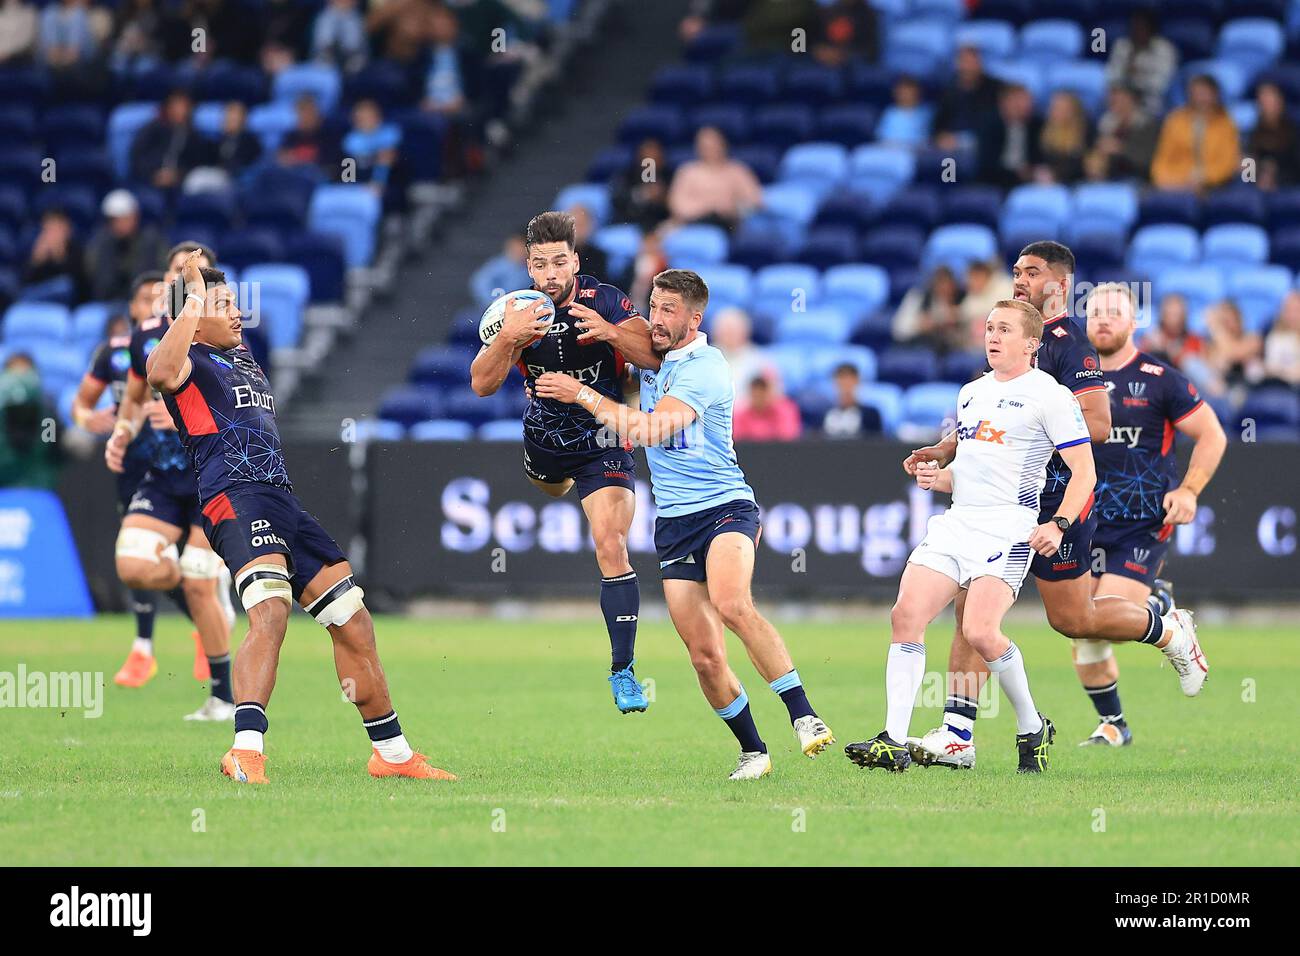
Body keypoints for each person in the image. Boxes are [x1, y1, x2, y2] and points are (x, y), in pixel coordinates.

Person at [144, 251, 455, 784]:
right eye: (223, 305)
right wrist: (193, 296)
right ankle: (245, 749)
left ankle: (393, 755)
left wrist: (206, 285)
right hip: (233, 499)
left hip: (281, 500)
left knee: (353, 619)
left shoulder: (242, 358)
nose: (237, 313)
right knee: (271, 609)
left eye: (235, 303)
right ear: (194, 317)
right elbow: (158, 371)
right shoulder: (187, 360)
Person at [903, 242, 1201, 769]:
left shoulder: (1070, 345)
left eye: (1031, 273)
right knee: (970, 610)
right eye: (1016, 271)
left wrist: (1040, 429)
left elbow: (1101, 424)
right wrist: (947, 447)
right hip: (999, 504)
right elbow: (988, 415)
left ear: (1059, 284)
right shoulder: (1015, 335)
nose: (1019, 280)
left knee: (1075, 620)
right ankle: (957, 735)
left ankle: (1168, 629)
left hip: (1054, 503)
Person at [534, 269, 834, 780]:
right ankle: (754, 752)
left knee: (733, 602)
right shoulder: (654, 359)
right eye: (653, 306)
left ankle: (804, 716)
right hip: (674, 523)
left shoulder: (706, 368)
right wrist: (601, 336)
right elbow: (623, 361)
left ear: (696, 318)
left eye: (669, 310)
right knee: (703, 656)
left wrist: (578, 393)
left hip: (725, 507)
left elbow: (649, 429)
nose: (656, 318)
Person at [845, 299, 1098, 774]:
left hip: (1009, 526)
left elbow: (1085, 472)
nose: (993, 336)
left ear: (1031, 343)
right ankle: (893, 740)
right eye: (988, 328)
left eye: (1004, 329)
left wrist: (1058, 523)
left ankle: (1031, 726)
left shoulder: (1050, 395)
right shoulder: (971, 393)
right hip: (958, 521)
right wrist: (935, 474)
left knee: (981, 631)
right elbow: (968, 470)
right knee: (906, 615)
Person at [470, 211, 656, 713]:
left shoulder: (607, 301)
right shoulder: (514, 312)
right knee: (553, 488)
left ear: (574, 260)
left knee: (610, 542)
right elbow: (481, 385)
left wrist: (612, 334)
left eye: (559, 262)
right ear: (528, 268)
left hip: (604, 438)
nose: (550, 274)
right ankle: (557, 476)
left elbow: (654, 357)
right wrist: (509, 339)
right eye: (539, 264)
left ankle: (623, 671)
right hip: (546, 443)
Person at [1078, 283, 1224, 746]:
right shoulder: (1070, 381)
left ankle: (1162, 613)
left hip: (1141, 523)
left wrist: (1188, 490)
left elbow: (1213, 435)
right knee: (1083, 629)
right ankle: (1114, 724)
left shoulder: (1160, 377)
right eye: (1095, 311)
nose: (1102, 319)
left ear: (1134, 320)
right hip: (1082, 522)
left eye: (1113, 312)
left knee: (1101, 616)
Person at [104, 243, 236, 720]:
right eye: (181, 274)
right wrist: (122, 428)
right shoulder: (144, 336)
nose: (190, 281)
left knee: (202, 582)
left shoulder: (223, 334)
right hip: (161, 475)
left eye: (198, 275)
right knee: (134, 567)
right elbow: (137, 393)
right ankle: (197, 587)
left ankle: (223, 696)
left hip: (208, 474)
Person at [73, 271, 200, 683]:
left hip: (179, 464)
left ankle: (203, 632)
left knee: (192, 561)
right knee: (141, 557)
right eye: (144, 299)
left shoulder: (184, 346)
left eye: (157, 298)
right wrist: (89, 419)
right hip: (134, 467)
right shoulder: (114, 353)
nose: (151, 306)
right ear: (132, 308)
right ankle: (146, 646)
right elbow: (81, 405)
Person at [1151, 74, 1240, 193]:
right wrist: (1172, 182)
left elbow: (1227, 163)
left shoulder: (1226, 124)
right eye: (1197, 93)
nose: (1201, 98)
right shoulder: (1175, 121)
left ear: (1215, 95)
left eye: (1205, 93)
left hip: (1214, 187)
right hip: (1176, 185)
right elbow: (1161, 163)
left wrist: (1204, 179)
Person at [667, 126, 763, 229]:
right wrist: (708, 208)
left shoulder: (737, 171)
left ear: (723, 144)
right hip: (690, 225)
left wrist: (732, 208)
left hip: (727, 226)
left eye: (714, 145)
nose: (710, 149)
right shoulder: (687, 172)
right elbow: (676, 205)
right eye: (705, 146)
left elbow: (756, 201)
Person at [83, 190, 168, 303]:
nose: (120, 224)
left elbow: (163, 273)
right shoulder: (101, 243)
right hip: (105, 302)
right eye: (114, 220)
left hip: (145, 302)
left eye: (124, 218)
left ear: (135, 216)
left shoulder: (152, 242)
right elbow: (91, 275)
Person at [129, 89, 216, 192]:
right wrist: (155, 175)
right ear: (168, 107)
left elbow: (196, 165)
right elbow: (137, 159)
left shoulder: (193, 135)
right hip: (148, 182)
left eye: (185, 106)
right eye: (177, 105)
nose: (181, 110)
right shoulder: (151, 129)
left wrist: (178, 175)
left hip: (180, 185)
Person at [1104, 6, 1178, 116]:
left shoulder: (1165, 49)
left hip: (1151, 104)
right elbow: (1111, 77)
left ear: (1152, 29)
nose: (1138, 32)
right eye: (1135, 28)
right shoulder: (1121, 46)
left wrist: (1137, 78)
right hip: (1121, 101)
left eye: (1143, 28)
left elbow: (1161, 85)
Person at [0, 354, 60, 489]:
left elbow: (50, 448)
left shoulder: (48, 414)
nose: (20, 379)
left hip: (38, 488)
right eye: (14, 373)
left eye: (25, 372)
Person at [1085, 84, 1159, 183]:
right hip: (1108, 179)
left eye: (1120, 99)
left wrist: (1121, 149)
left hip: (1139, 180)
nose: (1115, 103)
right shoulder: (1107, 124)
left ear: (1133, 100)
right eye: (1112, 100)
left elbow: (1148, 160)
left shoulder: (1148, 125)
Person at [612, 138, 673, 232]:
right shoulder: (627, 176)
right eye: (647, 156)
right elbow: (617, 199)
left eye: (655, 156)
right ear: (639, 157)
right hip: (631, 224)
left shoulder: (670, 177)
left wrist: (663, 197)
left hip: (662, 225)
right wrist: (643, 194)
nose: (651, 160)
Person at [1248, 81, 1299, 191]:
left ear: (1280, 102)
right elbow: (1247, 176)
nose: (1266, 105)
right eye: (1262, 101)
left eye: (1270, 100)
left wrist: (1276, 177)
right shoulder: (1255, 133)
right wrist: (1253, 172)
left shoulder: (1293, 132)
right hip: (1259, 189)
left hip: (1288, 187)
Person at [1037, 91, 1090, 185]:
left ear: (1073, 110)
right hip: (1052, 186)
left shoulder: (1086, 132)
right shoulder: (1042, 131)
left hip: (1080, 183)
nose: (1056, 112)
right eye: (1055, 108)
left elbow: (1085, 165)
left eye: (1062, 108)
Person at [1141, 293, 1203, 370]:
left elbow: (1199, 368)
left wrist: (1177, 354)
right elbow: (1139, 366)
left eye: (1178, 314)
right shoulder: (1151, 338)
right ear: (1163, 315)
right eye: (1171, 314)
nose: (1175, 320)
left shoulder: (1193, 340)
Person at [733, 373, 800, 441]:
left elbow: (788, 435)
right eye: (756, 391)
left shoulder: (785, 411)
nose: (759, 394)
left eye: (763, 390)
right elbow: (737, 437)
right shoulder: (741, 415)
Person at [469, 234, 529, 309]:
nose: (520, 251)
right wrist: (496, 304)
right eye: (517, 247)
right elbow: (480, 283)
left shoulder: (531, 267)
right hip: (496, 308)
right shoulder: (498, 265)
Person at [822, 362, 882, 438]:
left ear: (857, 381)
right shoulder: (826, 413)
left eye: (849, 379)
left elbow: (877, 444)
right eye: (841, 378)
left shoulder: (871, 414)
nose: (845, 384)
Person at [1264, 291, 1300, 387]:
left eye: (1297, 310)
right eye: (1289, 310)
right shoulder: (1276, 338)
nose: (1293, 315)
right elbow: (1272, 368)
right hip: (1284, 388)